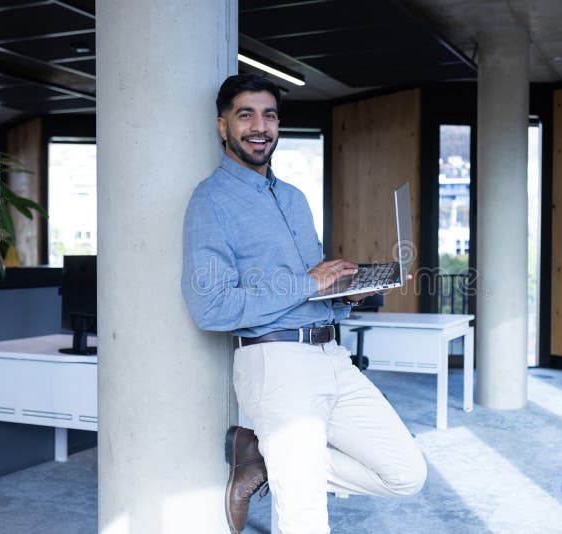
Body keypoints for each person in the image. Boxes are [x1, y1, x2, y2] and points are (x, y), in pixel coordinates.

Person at [181, 73, 426, 534]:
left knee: (406, 473)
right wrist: (307, 284)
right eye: (245, 114)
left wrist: (346, 295)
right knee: (304, 518)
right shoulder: (210, 201)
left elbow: (312, 290)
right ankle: (277, 461)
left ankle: (264, 461)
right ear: (222, 127)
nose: (259, 126)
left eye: (269, 115)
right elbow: (210, 306)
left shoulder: (293, 199)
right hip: (277, 365)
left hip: (332, 357)